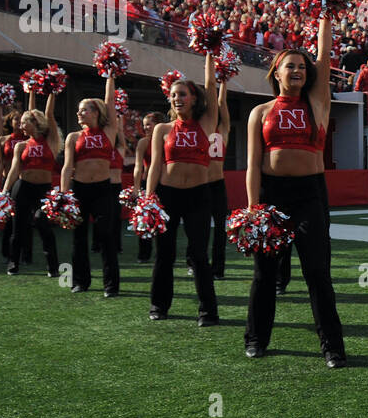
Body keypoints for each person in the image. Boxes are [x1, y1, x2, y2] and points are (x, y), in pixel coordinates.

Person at [242, 26, 346, 366]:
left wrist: (326, 12)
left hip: (310, 194)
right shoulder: (260, 112)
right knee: (264, 273)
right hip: (271, 196)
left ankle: (332, 347)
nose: (298, 71)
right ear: (277, 73)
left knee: (317, 271)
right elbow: (253, 165)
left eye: (302, 67)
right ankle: (256, 339)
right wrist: (253, 208)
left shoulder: (317, 103)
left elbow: (325, 58)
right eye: (291, 66)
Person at [146, 51, 220, 325]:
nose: (177, 99)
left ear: (194, 99)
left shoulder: (206, 122)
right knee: (164, 254)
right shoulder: (162, 129)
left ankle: (208, 311)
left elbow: (211, 88)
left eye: (183, 94)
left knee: (199, 255)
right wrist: (148, 198)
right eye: (174, 95)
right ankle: (159, 305)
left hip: (199, 196)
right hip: (167, 195)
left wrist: (210, 53)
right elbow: (155, 166)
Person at [60, 74, 121, 297]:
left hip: (103, 189)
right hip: (79, 190)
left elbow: (110, 101)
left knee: (106, 236)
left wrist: (110, 76)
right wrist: (64, 195)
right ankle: (80, 282)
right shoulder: (73, 137)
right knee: (79, 236)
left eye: (84, 109)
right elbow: (67, 167)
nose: (79, 113)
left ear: (96, 112)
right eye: (78, 110)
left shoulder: (109, 131)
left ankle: (111, 286)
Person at [2, 100, 62, 277]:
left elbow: (49, 115)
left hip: (43, 189)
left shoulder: (51, 141)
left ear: (35, 122)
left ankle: (52, 267)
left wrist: (51, 91)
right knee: (18, 228)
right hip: (23, 187)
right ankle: (13, 264)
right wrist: (5, 191)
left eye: (24, 122)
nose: (21, 125)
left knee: (43, 224)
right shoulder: (21, 145)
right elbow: (14, 170)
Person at [187, 81, 230, 280]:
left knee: (220, 229)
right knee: (196, 226)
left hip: (217, 184)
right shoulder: (199, 129)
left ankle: (218, 268)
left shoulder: (223, 129)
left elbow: (221, 102)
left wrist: (223, 82)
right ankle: (193, 262)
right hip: (200, 184)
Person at [0, 107, 32, 265]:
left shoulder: (30, 139)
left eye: (21, 119)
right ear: (10, 122)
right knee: (10, 220)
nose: (18, 122)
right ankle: (8, 253)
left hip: (24, 180)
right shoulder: (2, 140)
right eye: (15, 119)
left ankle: (26, 255)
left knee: (26, 218)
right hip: (8, 181)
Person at [131, 112, 161, 263]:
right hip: (146, 184)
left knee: (164, 219)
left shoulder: (166, 139)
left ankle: (163, 252)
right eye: (144, 125)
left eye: (149, 124)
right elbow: (138, 167)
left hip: (164, 184)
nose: (146, 128)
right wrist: (136, 188)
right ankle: (144, 254)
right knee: (145, 218)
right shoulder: (143, 142)